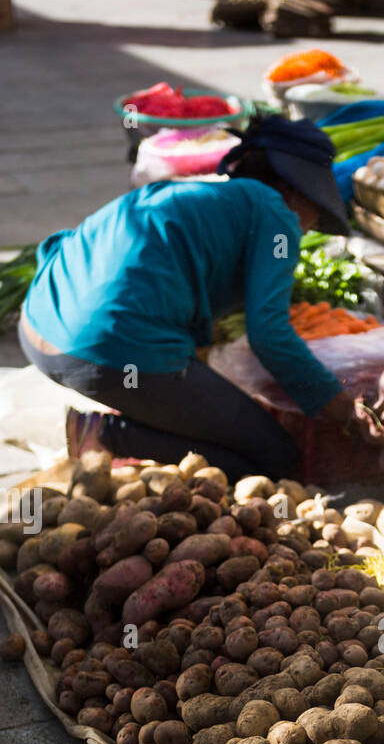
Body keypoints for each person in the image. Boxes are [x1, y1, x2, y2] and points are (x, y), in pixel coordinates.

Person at [18, 117, 357, 483]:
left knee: (197, 409)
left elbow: (62, 245)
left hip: (38, 327)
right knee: (274, 457)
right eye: (314, 213)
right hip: (105, 350)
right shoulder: (276, 212)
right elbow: (269, 335)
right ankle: (105, 434)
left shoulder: (191, 195)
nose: (308, 226)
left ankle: (125, 415)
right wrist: (341, 409)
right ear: (294, 193)